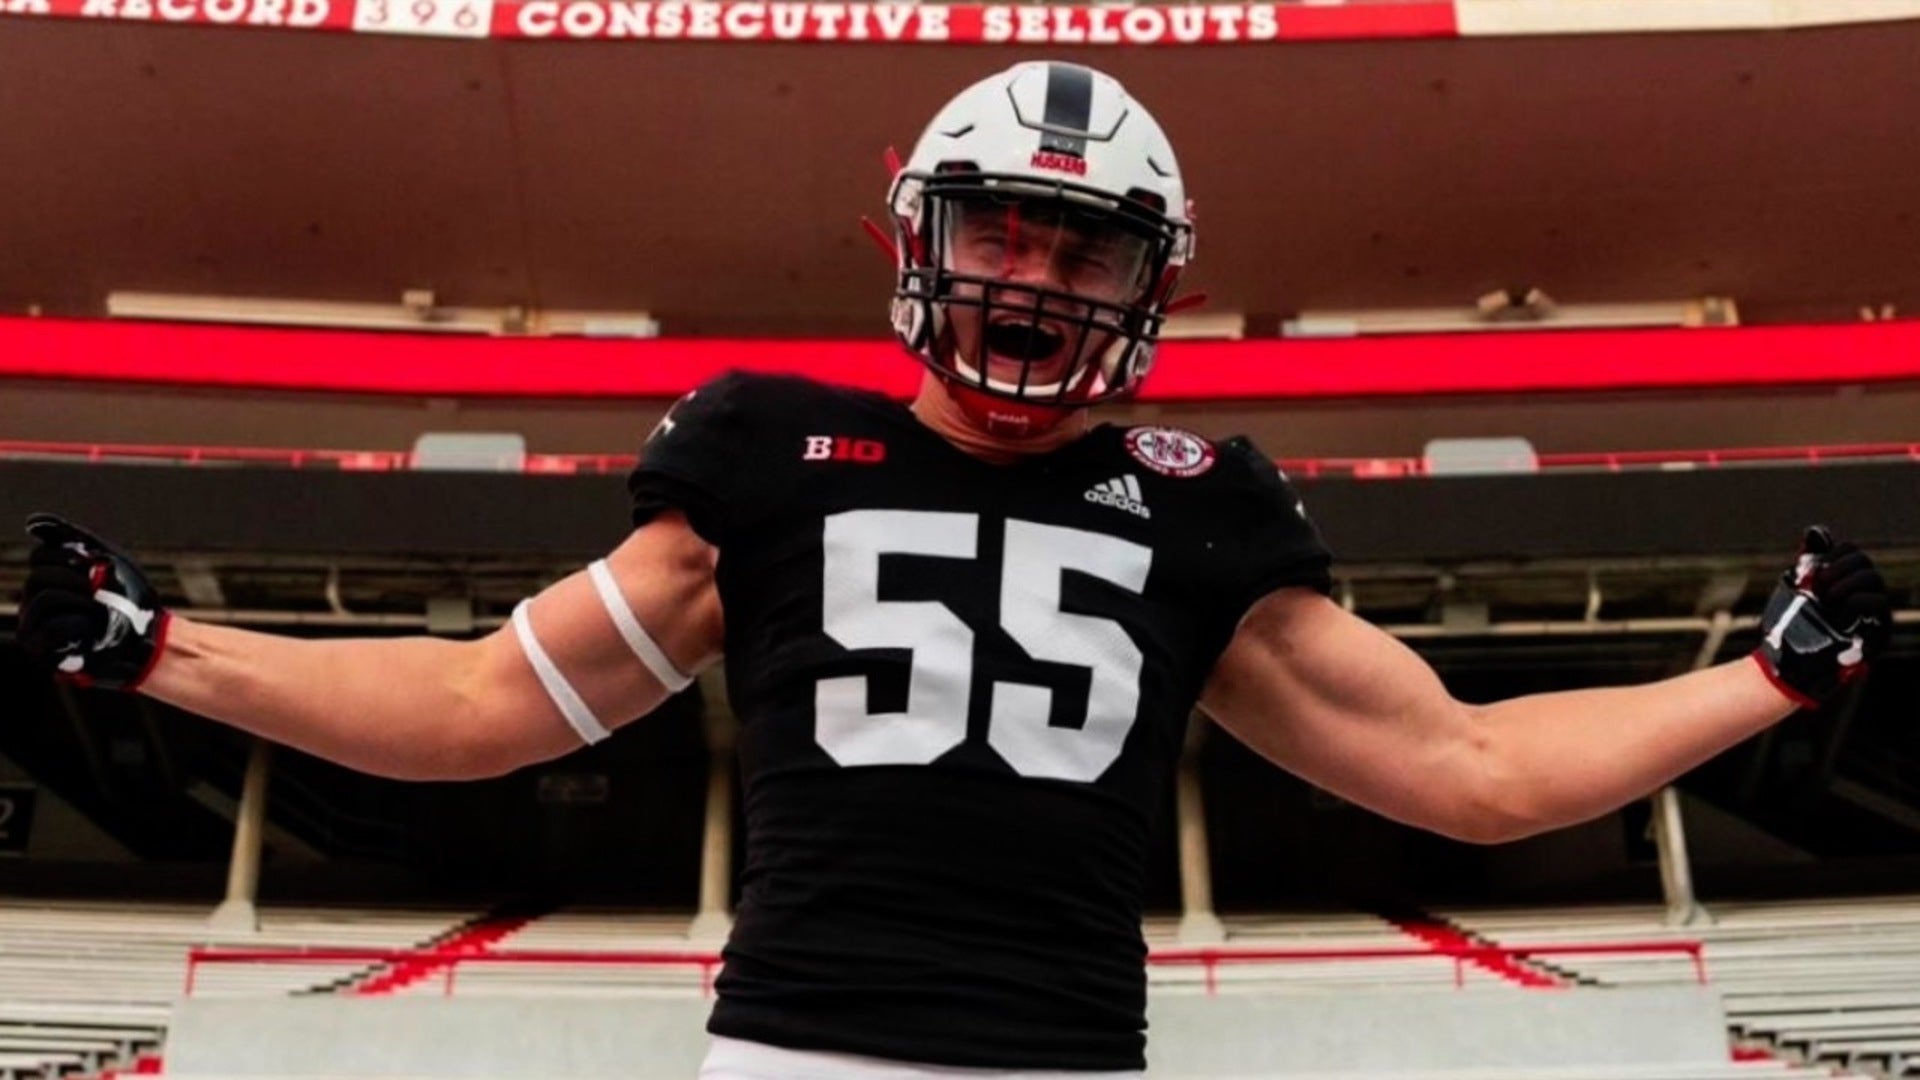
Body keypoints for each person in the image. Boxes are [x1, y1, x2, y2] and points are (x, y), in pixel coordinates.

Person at [14, 61, 1894, 1080]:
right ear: (917, 234)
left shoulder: (1202, 504)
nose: (1035, 281)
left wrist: (1773, 677)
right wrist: (158, 645)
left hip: (1072, 1066)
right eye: (1004, 228)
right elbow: (475, 707)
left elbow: (1474, 775)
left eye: (1086, 255)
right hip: (796, 1055)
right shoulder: (766, 451)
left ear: (1150, 289)